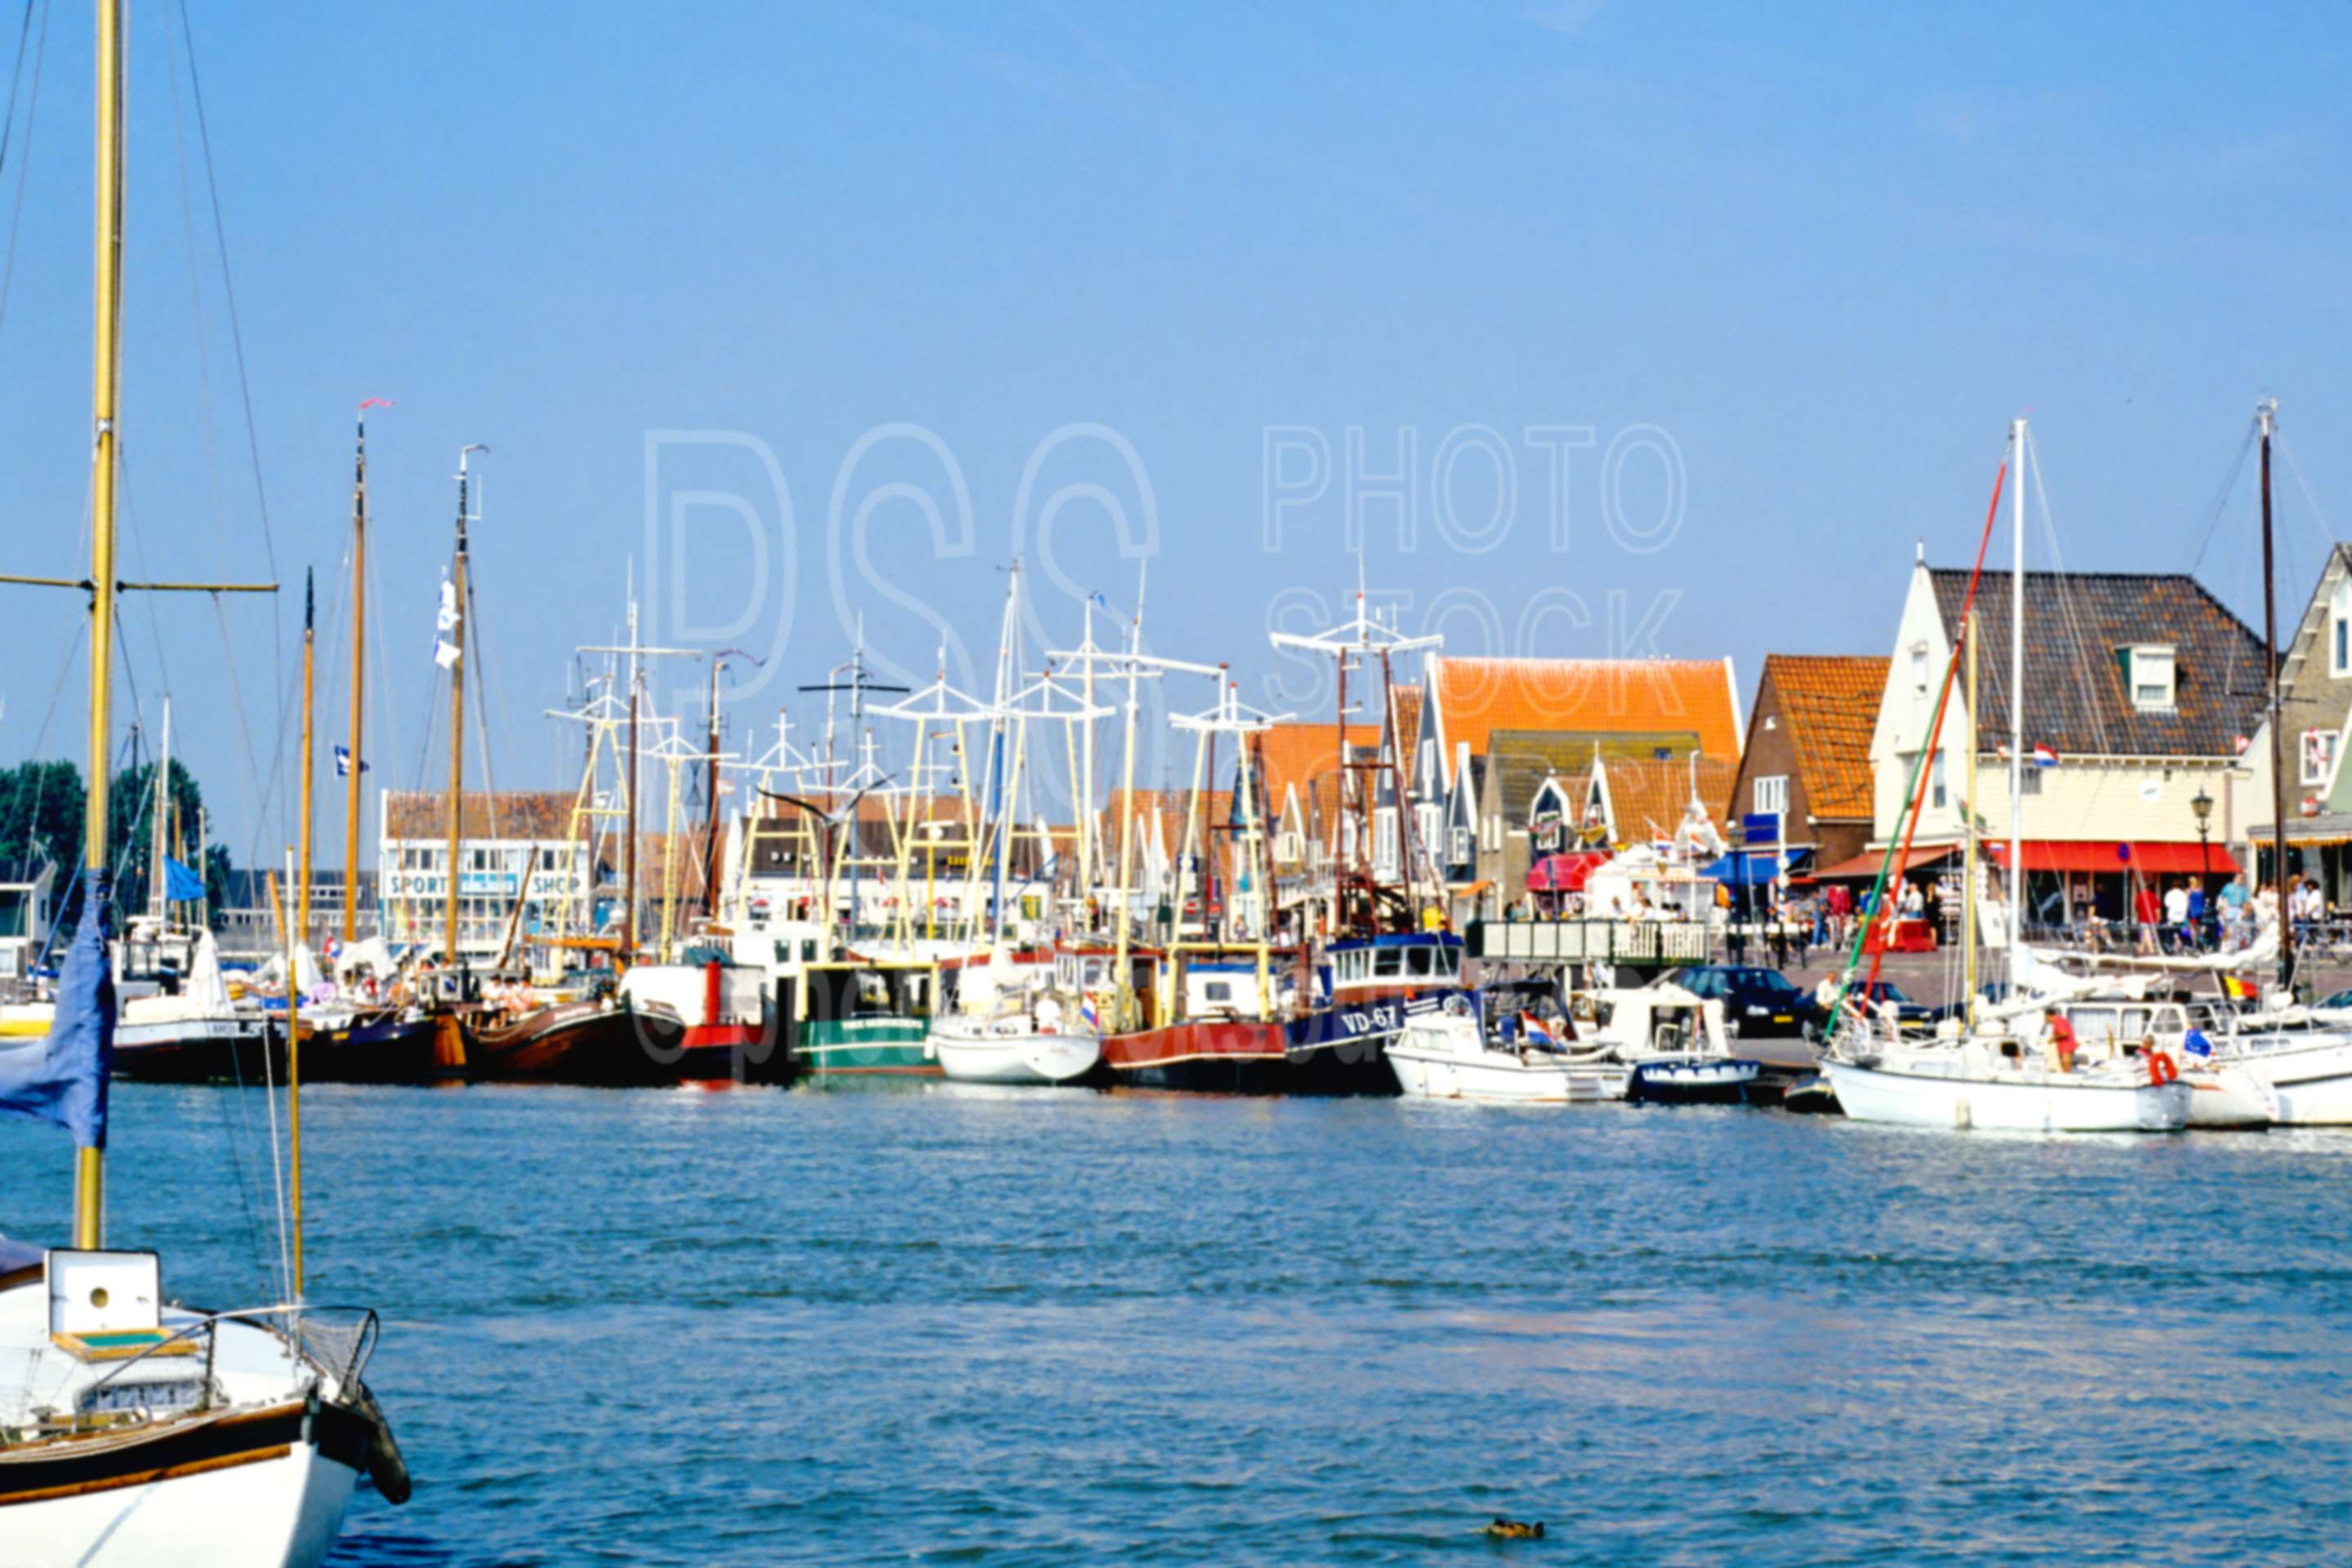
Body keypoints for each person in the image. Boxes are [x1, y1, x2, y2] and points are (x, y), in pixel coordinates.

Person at [2044, 1006, 2078, 1074]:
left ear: (2048, 1016)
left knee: (2066, 1066)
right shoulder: (2059, 1020)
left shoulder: (2058, 1021)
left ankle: (2067, 1077)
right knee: (2063, 1065)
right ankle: (2066, 1075)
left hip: (2066, 1046)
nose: (2045, 1020)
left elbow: (2065, 1033)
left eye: (2045, 1017)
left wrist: (2053, 1039)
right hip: (2065, 1046)